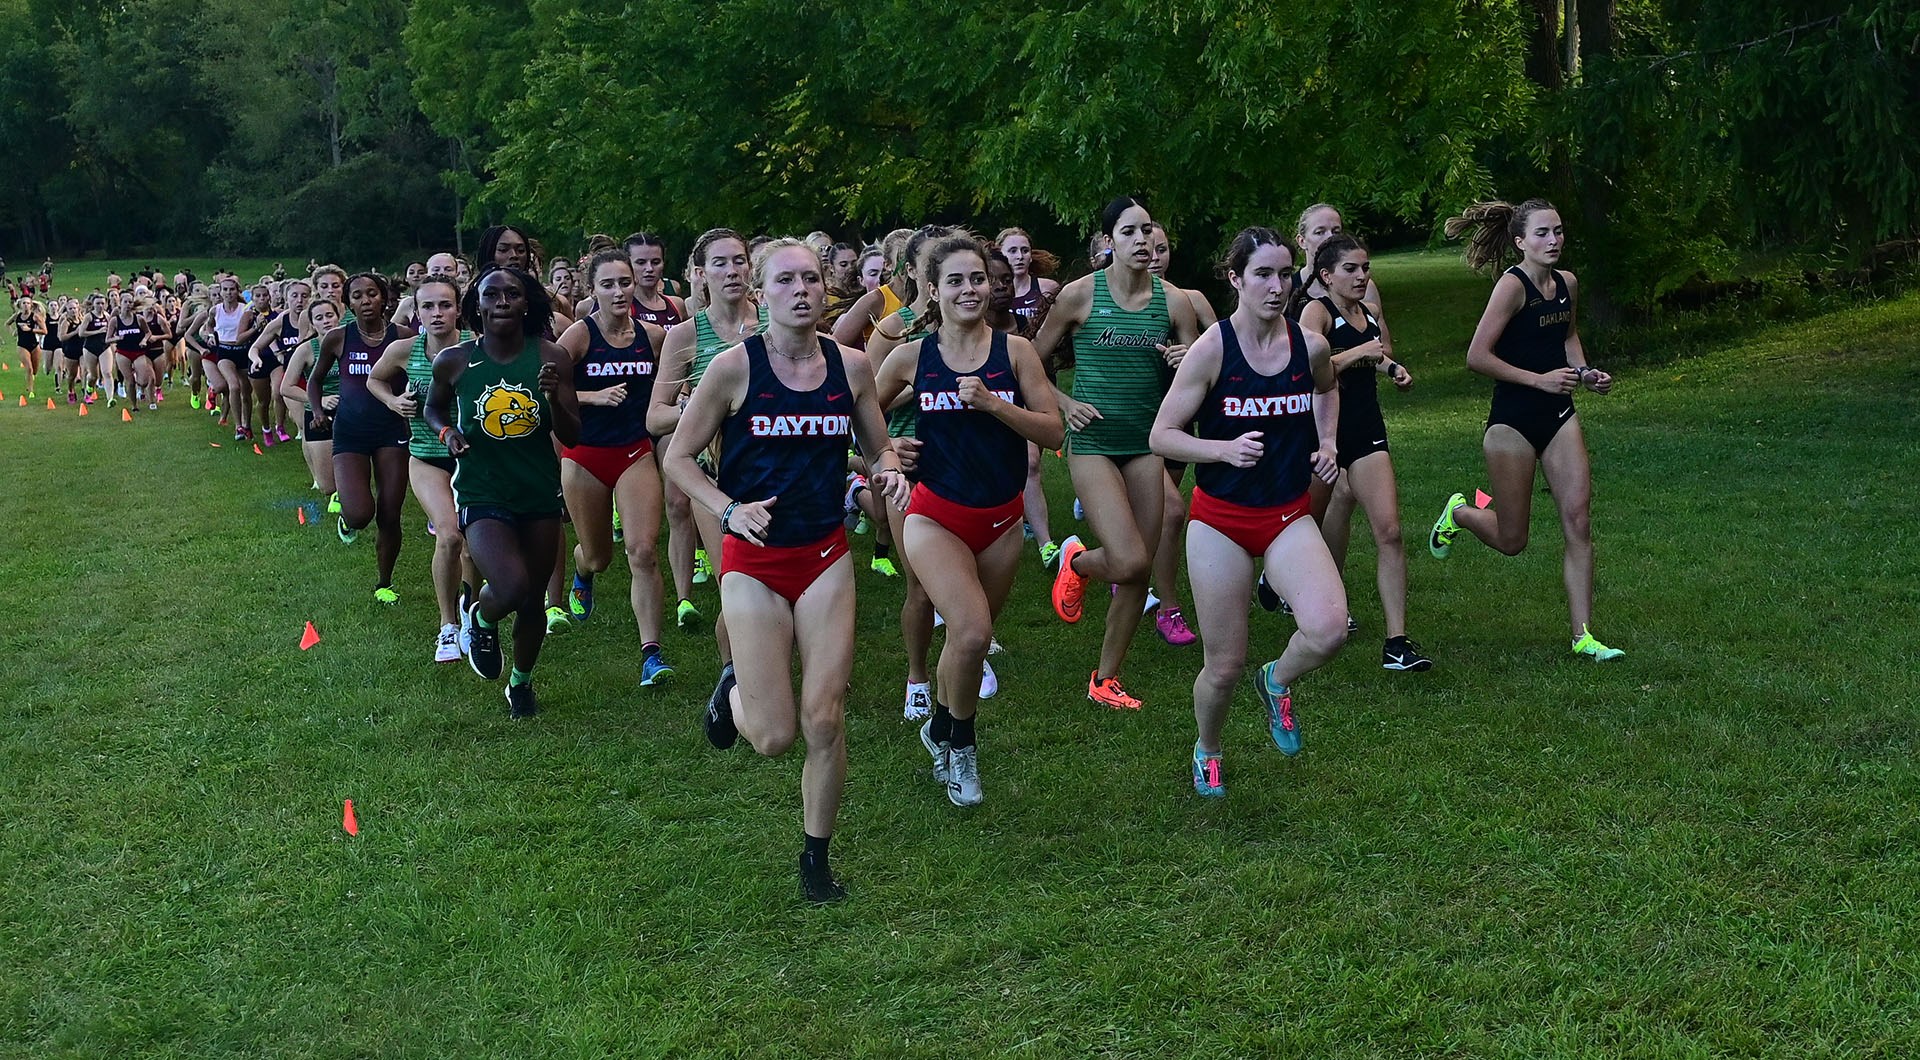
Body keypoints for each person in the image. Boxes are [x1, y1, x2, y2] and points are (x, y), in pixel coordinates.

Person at [665, 239, 908, 903]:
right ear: (760, 291)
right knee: (773, 738)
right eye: (785, 280)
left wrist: (886, 474)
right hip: (754, 560)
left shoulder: (852, 366)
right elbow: (678, 458)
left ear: (824, 289)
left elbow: (875, 445)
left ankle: (815, 860)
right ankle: (731, 692)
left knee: (824, 719)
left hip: (825, 555)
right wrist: (728, 507)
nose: (800, 289)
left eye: (810, 278)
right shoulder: (734, 370)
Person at [1148, 226, 1347, 797]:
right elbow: (1161, 435)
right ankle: (1207, 747)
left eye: (1286, 274)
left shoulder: (1308, 346)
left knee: (1330, 628)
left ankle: (1278, 680)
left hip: (1287, 514)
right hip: (1219, 522)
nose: (1277, 285)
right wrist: (1220, 450)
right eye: (1262, 274)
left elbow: (1328, 388)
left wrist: (1328, 442)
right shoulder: (1213, 349)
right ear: (1235, 279)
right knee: (1223, 665)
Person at [873, 233, 1062, 806]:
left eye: (977, 278)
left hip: (1002, 520)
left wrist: (994, 405)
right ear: (932, 290)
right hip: (934, 515)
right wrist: (883, 454)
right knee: (974, 629)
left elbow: (1053, 431)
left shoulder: (1015, 352)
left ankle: (941, 729)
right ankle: (962, 746)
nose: (969, 289)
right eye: (954, 280)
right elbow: (861, 416)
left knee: (969, 641)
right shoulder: (912, 355)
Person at [1433, 199, 1623, 660]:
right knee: (1512, 540)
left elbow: (1567, 336)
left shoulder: (1567, 284)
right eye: (1542, 234)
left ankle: (1583, 636)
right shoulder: (1511, 287)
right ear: (1520, 242)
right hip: (1512, 422)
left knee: (1578, 521)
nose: (1553, 240)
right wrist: (1538, 380)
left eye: (1558, 231)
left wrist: (1583, 373)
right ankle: (1459, 513)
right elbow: (1477, 356)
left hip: (1559, 415)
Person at [1031, 196, 1200, 710]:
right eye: (1129, 231)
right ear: (1108, 241)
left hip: (1146, 442)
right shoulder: (1080, 296)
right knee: (1126, 558)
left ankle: (1106, 678)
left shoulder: (1174, 303)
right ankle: (1078, 563)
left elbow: (1200, 374)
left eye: (1148, 230)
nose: (1143, 240)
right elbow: (1028, 363)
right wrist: (1064, 403)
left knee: (1139, 568)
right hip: (1094, 444)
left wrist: (1185, 358)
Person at [425, 264, 582, 716]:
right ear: (477, 305)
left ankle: (521, 682)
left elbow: (572, 436)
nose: (502, 303)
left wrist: (553, 398)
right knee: (510, 586)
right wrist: (447, 434)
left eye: (512, 294)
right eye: (492, 296)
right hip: (482, 490)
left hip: (538, 493)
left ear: (527, 302)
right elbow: (433, 409)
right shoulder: (454, 360)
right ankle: (480, 616)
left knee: (532, 601)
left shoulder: (552, 356)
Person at [1295, 234, 1432, 671]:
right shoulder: (1316, 312)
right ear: (1326, 275)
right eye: (1351, 269)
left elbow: (1377, 355)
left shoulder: (1368, 314)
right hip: (1321, 433)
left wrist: (1394, 368)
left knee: (1389, 531)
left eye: (1365, 268)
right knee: (1303, 528)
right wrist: (1362, 352)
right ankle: (1294, 596)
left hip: (1367, 430)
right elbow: (1303, 367)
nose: (1361, 276)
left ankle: (1397, 641)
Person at [555, 250, 676, 688]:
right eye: (608, 284)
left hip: (634, 451)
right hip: (585, 455)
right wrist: (593, 396)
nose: (620, 291)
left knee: (643, 551)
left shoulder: (655, 337)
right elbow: (542, 385)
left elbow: (672, 384)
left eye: (625, 282)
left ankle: (651, 654)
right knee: (600, 556)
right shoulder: (579, 336)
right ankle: (582, 570)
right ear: (593, 290)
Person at [651, 227, 761, 643]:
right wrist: (697, 405)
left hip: (778, 470)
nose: (732, 271)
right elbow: (655, 418)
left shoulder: (776, 319)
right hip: (714, 477)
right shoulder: (686, 335)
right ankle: (732, 683)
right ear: (700, 274)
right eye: (720, 263)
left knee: (780, 587)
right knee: (734, 588)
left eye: (739, 260)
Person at [369, 278, 478, 662]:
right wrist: (395, 402)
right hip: (426, 457)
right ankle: (447, 626)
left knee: (472, 544)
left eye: (445, 305)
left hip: (473, 458)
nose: (437, 313)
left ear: (458, 309)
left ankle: (470, 613)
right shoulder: (404, 350)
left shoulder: (475, 347)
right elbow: (374, 379)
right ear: (416, 312)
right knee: (449, 535)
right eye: (428, 306)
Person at [308, 273, 415, 603]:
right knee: (359, 513)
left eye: (372, 294)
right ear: (347, 303)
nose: (365, 300)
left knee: (389, 513)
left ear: (384, 298)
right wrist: (317, 410)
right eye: (357, 296)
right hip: (350, 434)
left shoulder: (404, 338)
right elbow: (314, 381)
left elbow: (424, 376)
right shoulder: (338, 338)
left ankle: (385, 581)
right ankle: (347, 519)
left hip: (392, 432)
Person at [281, 298, 343, 506]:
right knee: (326, 485)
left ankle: (350, 500)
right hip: (319, 415)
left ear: (338, 317)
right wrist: (320, 399)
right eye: (319, 318)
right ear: (312, 324)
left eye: (329, 315)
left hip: (352, 412)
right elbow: (286, 387)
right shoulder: (307, 349)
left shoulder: (353, 344)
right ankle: (337, 492)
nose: (326, 321)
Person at [245, 279, 308, 444]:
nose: (300, 300)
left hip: (315, 377)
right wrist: (255, 358)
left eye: (304, 296)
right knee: (305, 425)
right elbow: (255, 347)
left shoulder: (318, 319)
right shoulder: (281, 321)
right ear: (286, 298)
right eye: (294, 296)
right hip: (293, 379)